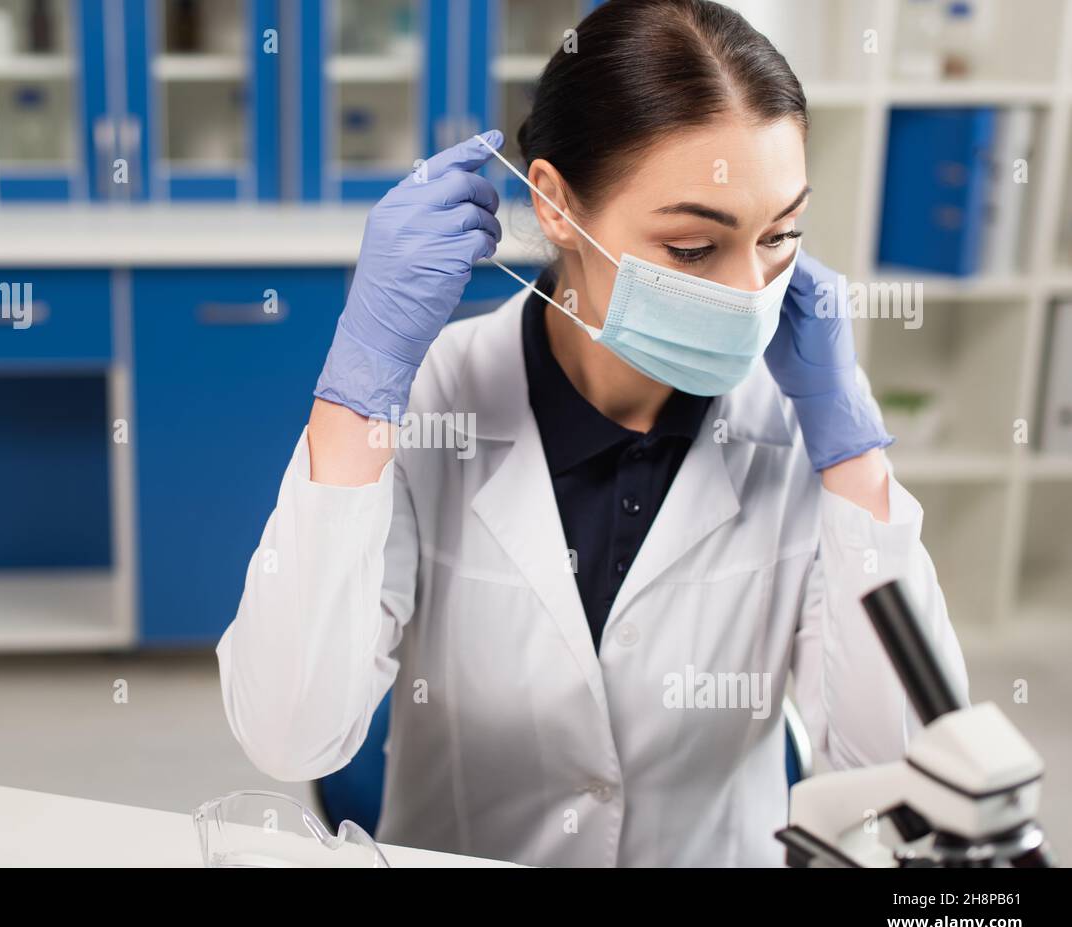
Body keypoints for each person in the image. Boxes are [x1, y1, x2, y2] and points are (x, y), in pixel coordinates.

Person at [216, 0, 970, 867]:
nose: (750, 292)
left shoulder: (802, 429)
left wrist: (856, 461)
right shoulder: (434, 401)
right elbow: (290, 732)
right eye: (694, 247)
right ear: (555, 204)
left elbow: (906, 775)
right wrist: (353, 400)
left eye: (781, 234)